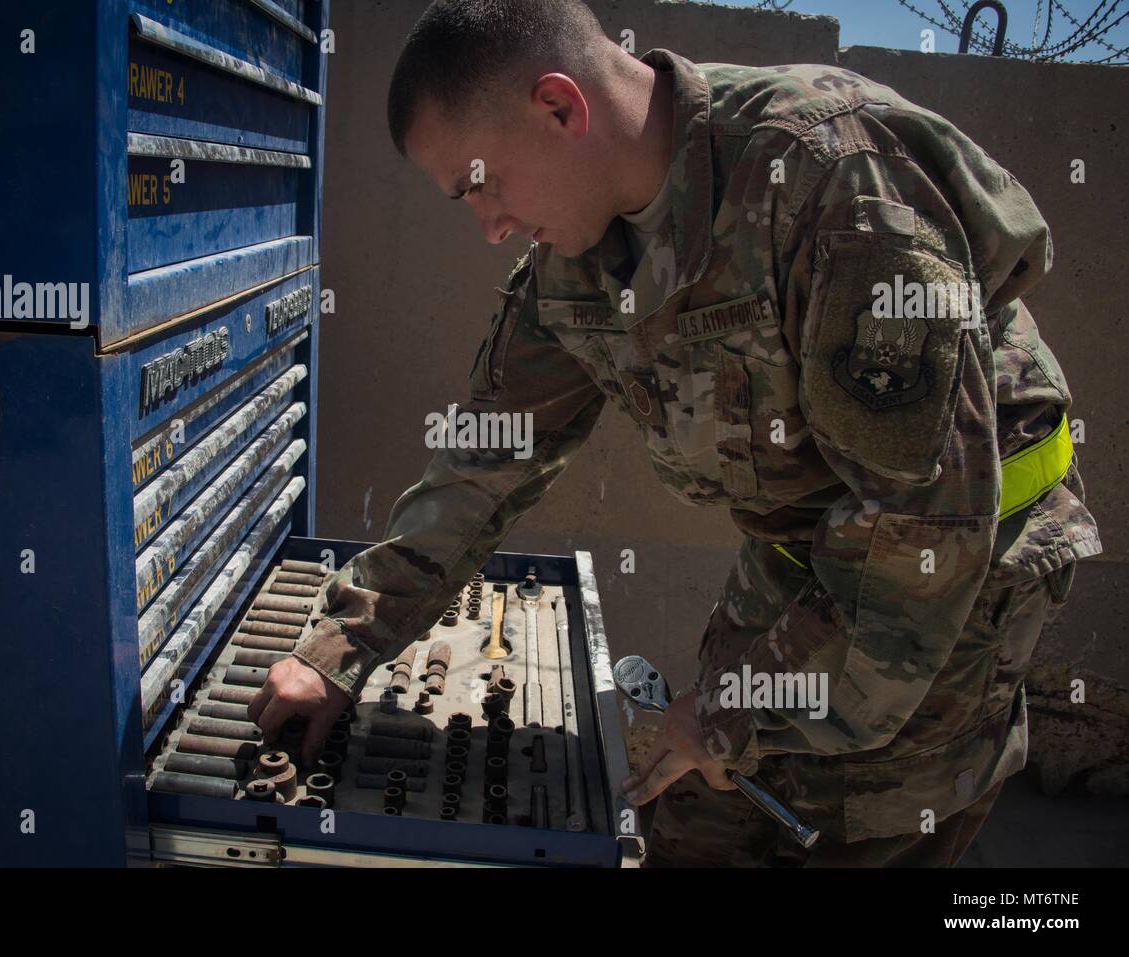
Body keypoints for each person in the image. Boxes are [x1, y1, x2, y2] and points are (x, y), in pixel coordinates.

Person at [248, 0, 1100, 866]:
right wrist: (341, 647)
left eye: (482, 183)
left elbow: (923, 533)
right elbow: (485, 461)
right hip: (807, 551)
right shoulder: (572, 262)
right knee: (693, 807)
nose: (489, 224)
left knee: (863, 828)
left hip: (964, 562)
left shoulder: (835, 184)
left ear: (559, 106)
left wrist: (734, 707)